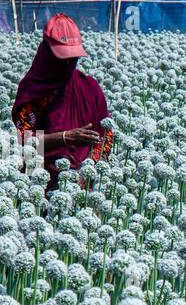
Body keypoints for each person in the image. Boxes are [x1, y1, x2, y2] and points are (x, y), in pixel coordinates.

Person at [12, 13, 114, 193]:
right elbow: (23, 143)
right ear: (47, 54)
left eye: (73, 59)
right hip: (38, 189)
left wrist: (90, 171)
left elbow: (105, 138)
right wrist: (65, 137)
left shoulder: (90, 88)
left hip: (83, 188)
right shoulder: (32, 92)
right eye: (62, 58)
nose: (68, 64)